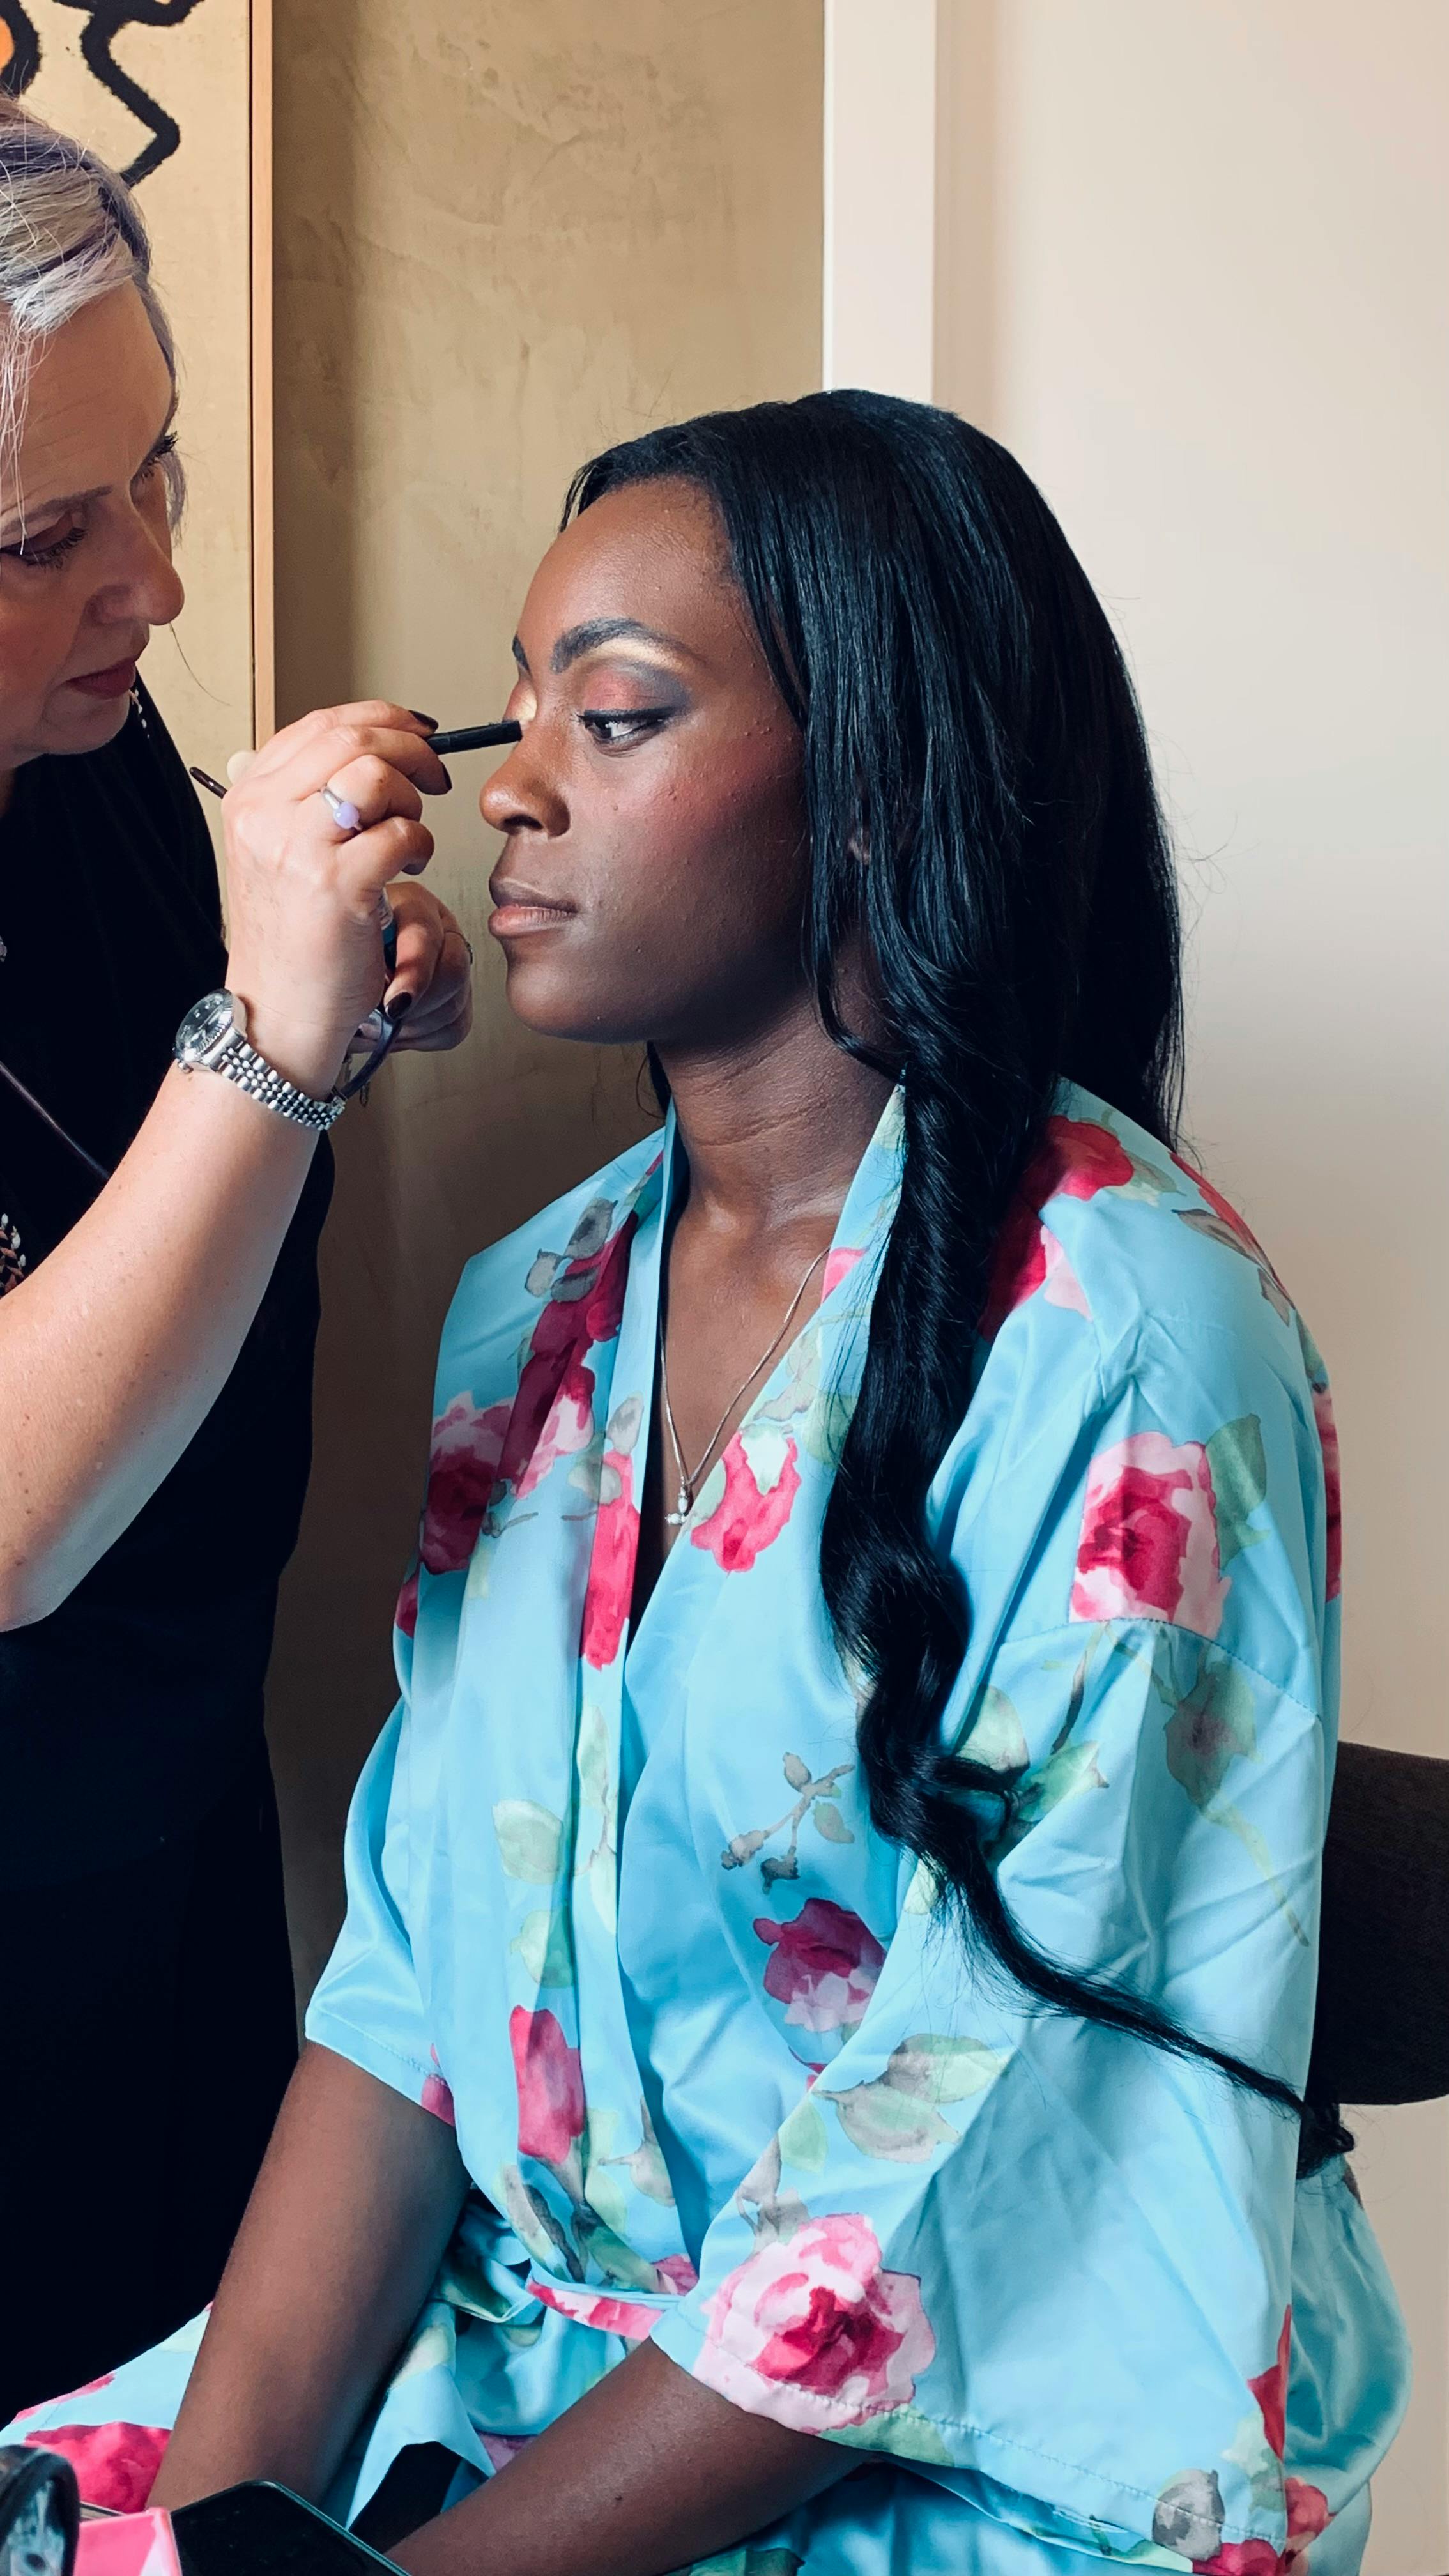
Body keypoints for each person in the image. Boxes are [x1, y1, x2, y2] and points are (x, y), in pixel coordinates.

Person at [10, 395, 1408, 2572]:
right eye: (522, 705)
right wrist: (202, 2529)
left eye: (623, 713)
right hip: (534, 2368)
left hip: (968, 2465)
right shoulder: (541, 1304)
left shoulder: (1123, 1342)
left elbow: (952, 2171)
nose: (515, 786)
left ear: (873, 793)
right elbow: (413, 1996)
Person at [0, 102, 470, 2417]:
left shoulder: (72, 731)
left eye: (156, 476)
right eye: (43, 539)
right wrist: (262, 1046)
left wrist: (326, 975)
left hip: (163, 1846)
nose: (153, 591)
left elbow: (138, 1116)